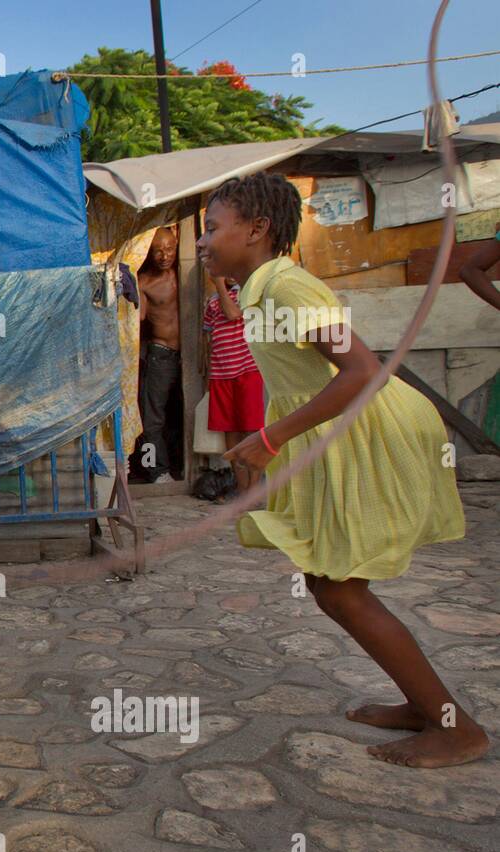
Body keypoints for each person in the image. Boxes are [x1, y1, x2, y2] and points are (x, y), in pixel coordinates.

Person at [199, 171, 487, 768]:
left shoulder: (286, 288)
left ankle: (455, 727)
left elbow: (361, 371)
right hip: (336, 434)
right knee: (329, 585)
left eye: (211, 228)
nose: (202, 241)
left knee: (340, 588)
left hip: (369, 430)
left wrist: (271, 438)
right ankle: (424, 706)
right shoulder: (260, 288)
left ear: (256, 230)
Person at [202, 272, 264, 502]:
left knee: (251, 429)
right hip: (221, 374)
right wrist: (209, 375)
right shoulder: (212, 301)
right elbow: (209, 335)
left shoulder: (247, 294)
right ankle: (241, 487)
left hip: (247, 372)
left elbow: (232, 313)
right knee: (230, 431)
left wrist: (218, 283)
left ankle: (253, 490)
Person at [136, 227, 182, 483]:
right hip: (160, 354)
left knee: (180, 414)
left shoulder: (187, 272)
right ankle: (157, 470)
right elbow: (139, 317)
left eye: (169, 249)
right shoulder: (145, 282)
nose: (164, 256)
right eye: (157, 251)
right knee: (152, 417)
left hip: (190, 356)